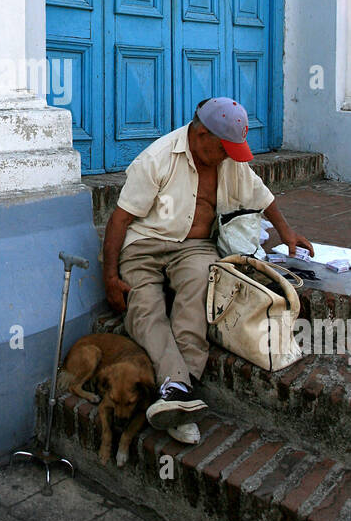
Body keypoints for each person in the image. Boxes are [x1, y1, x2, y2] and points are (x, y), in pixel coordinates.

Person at [102, 97, 313, 445]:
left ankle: (175, 389)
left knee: (201, 289)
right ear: (200, 135)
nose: (229, 155)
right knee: (144, 307)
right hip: (145, 246)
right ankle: (180, 389)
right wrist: (110, 276)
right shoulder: (157, 158)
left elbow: (261, 195)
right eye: (223, 148)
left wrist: (286, 232)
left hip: (195, 248)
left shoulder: (229, 159)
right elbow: (120, 219)